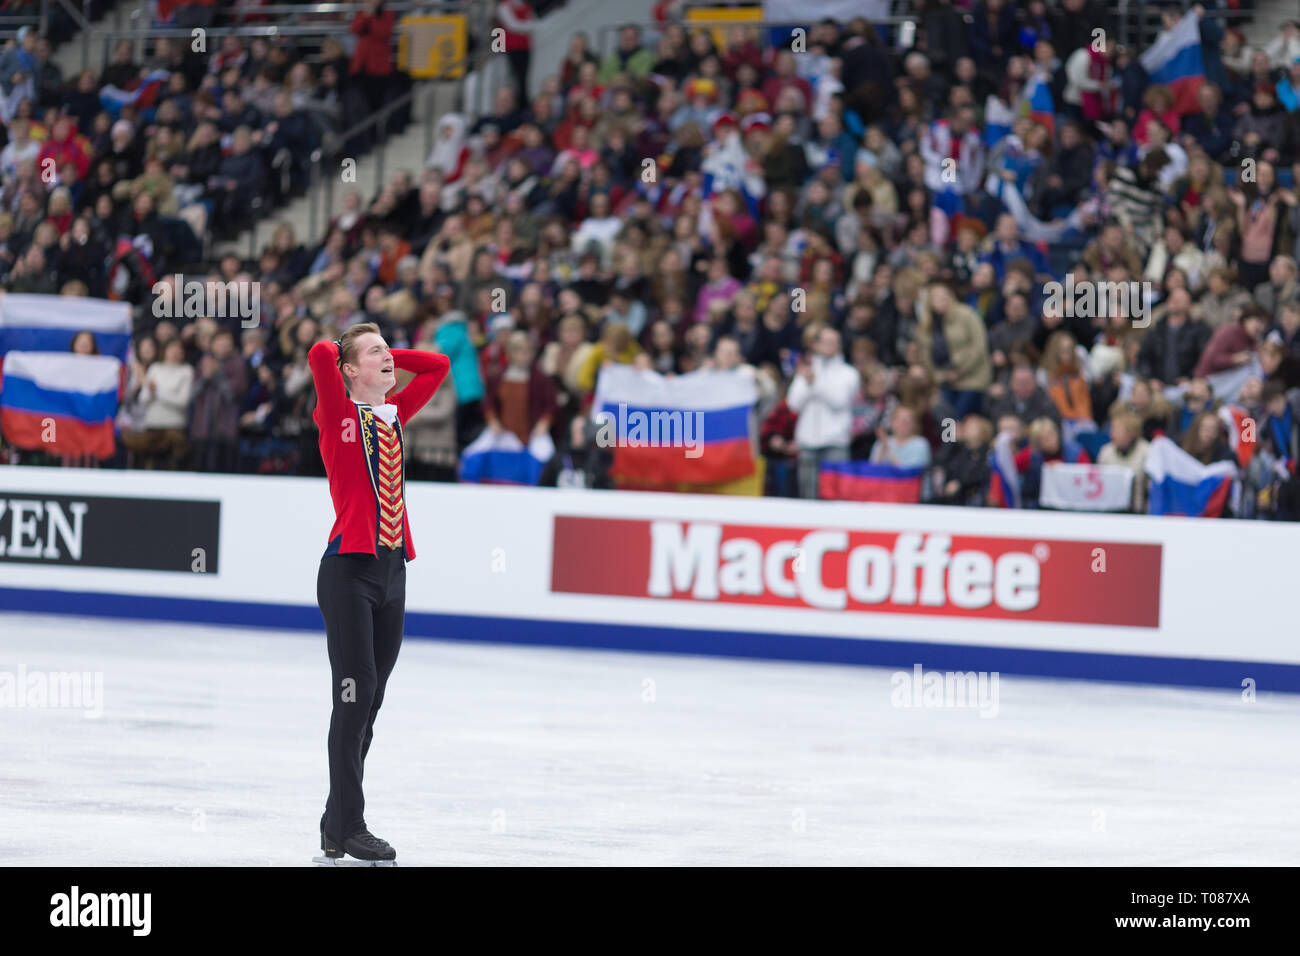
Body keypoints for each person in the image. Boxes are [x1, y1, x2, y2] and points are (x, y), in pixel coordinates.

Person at [308, 322, 450, 864]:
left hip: (393, 572)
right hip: (348, 572)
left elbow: (436, 366)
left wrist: (380, 351)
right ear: (349, 371)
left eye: (391, 351)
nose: (390, 358)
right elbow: (320, 352)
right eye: (376, 353)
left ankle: (332, 820)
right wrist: (349, 345)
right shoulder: (338, 418)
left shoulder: (393, 418)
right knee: (355, 693)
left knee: (370, 702)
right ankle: (352, 826)